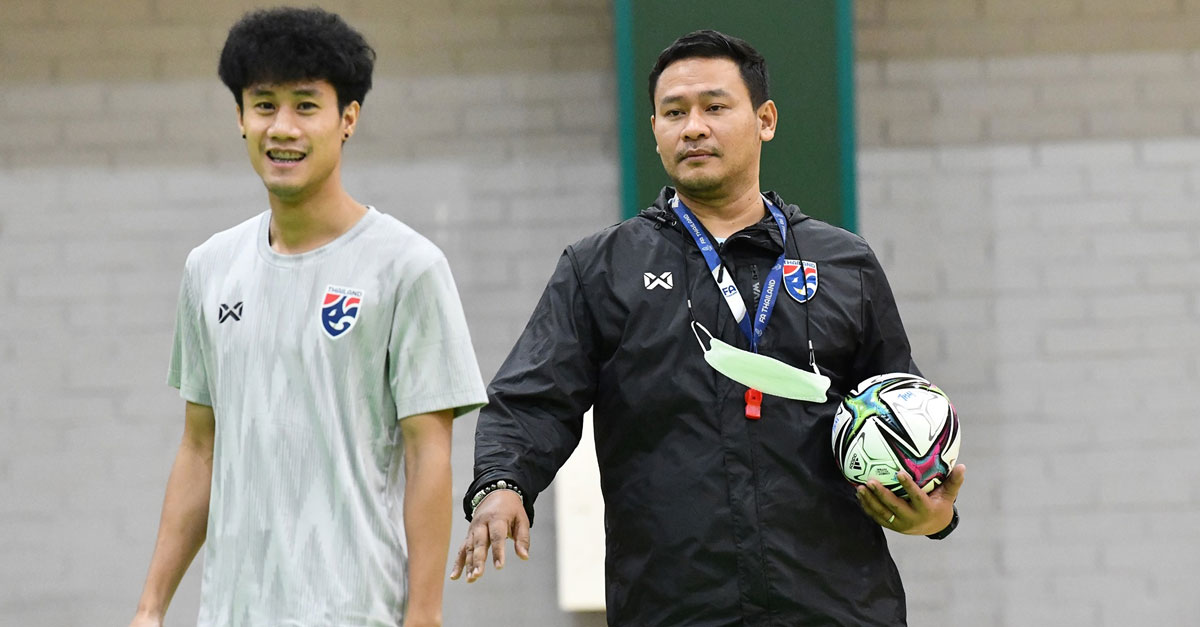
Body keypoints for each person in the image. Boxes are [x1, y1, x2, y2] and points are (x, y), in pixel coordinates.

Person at [451, 29, 965, 626]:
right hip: (674, 607)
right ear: (655, 130)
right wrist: (502, 481)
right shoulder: (602, 268)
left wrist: (934, 513)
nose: (693, 127)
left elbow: (908, 408)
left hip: (836, 606)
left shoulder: (844, 262)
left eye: (715, 107)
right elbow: (531, 400)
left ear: (765, 119)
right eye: (675, 112)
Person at [129, 8, 486, 627]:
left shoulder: (408, 267)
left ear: (348, 119)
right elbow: (199, 448)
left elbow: (429, 456)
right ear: (239, 119)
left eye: (305, 104)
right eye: (263, 105)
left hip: (356, 612)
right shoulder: (209, 268)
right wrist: (151, 606)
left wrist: (424, 617)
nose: (282, 128)